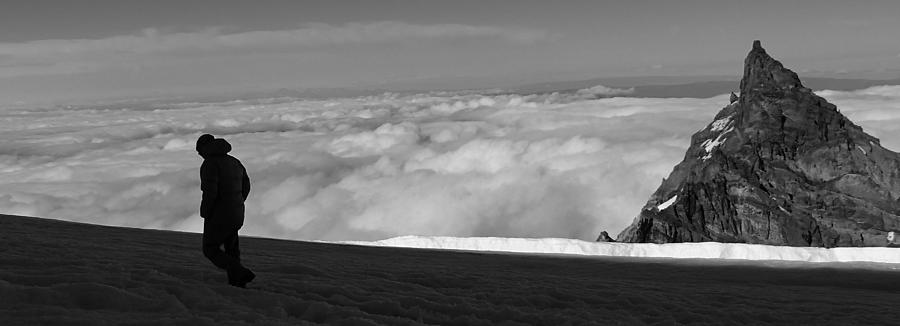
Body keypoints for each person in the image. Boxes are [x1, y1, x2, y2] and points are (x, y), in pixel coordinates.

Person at [196, 134, 255, 287]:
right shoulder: (234, 162)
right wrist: (237, 202)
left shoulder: (210, 164)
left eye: (199, 151)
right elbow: (246, 186)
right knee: (232, 249)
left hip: (218, 215)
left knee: (210, 249)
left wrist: (206, 211)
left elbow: (210, 192)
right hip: (236, 212)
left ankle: (240, 272)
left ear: (204, 148)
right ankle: (237, 282)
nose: (199, 154)